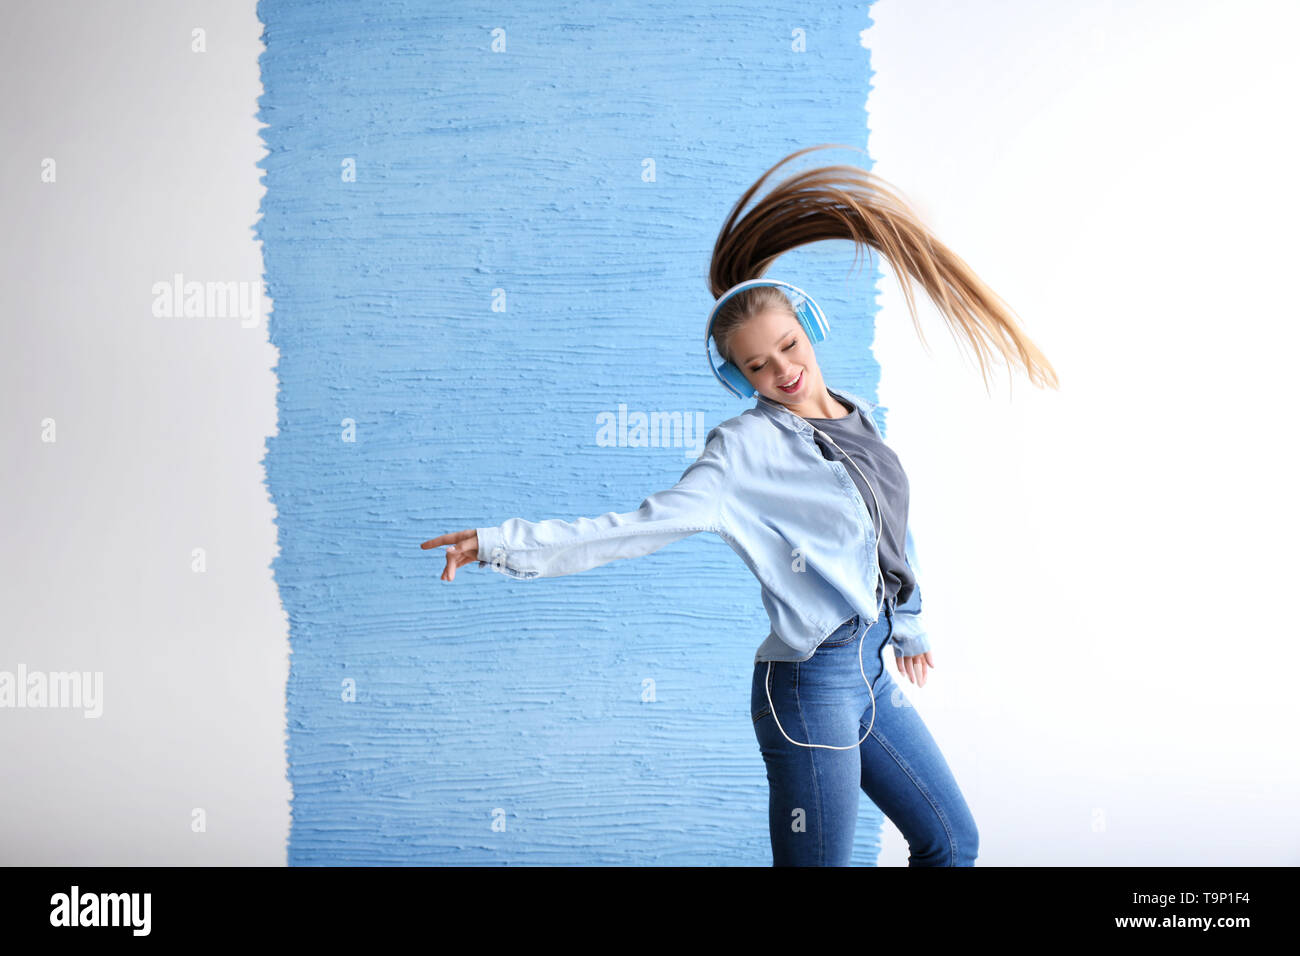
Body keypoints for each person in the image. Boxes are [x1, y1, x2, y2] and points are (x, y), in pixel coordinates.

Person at [422, 144, 1059, 865]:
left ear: (809, 329)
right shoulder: (742, 452)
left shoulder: (855, 416)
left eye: (789, 347)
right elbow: (633, 529)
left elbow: (887, 529)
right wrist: (496, 543)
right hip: (808, 685)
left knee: (950, 842)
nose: (783, 371)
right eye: (759, 365)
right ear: (736, 373)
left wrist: (907, 625)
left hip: (872, 670)